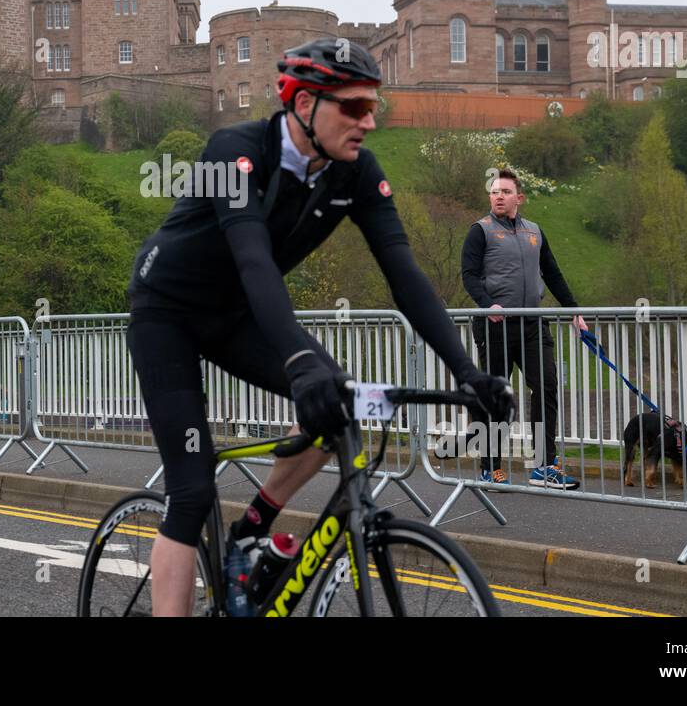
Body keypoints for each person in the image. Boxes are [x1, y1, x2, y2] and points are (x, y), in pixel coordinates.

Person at [126, 38, 514, 616]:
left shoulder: (355, 172)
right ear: (305, 103)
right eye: (355, 107)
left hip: (235, 314)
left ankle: (249, 531)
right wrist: (298, 362)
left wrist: (467, 371)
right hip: (168, 313)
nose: (370, 122)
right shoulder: (234, 151)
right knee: (192, 491)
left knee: (344, 402)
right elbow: (253, 259)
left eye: (373, 106)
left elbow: (404, 275)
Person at [460, 167, 587, 489]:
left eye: (504, 192)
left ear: (519, 197)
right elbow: (470, 275)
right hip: (496, 325)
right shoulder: (481, 230)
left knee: (546, 387)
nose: (498, 197)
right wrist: (488, 304)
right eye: (493, 192)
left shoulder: (534, 231)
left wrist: (574, 311)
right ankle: (491, 467)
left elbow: (553, 274)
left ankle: (544, 466)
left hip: (533, 324)